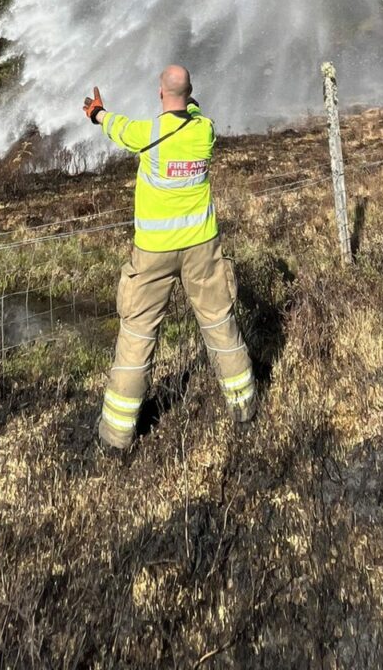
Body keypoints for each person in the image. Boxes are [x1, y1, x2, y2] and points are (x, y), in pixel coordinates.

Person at [84, 65, 256, 453]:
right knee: (219, 322)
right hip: (202, 247)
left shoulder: (148, 135)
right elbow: (195, 113)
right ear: (191, 94)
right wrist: (187, 105)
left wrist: (97, 112)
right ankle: (244, 406)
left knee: (138, 335)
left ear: (160, 93)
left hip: (153, 253)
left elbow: (116, 126)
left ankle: (115, 437)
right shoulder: (203, 132)